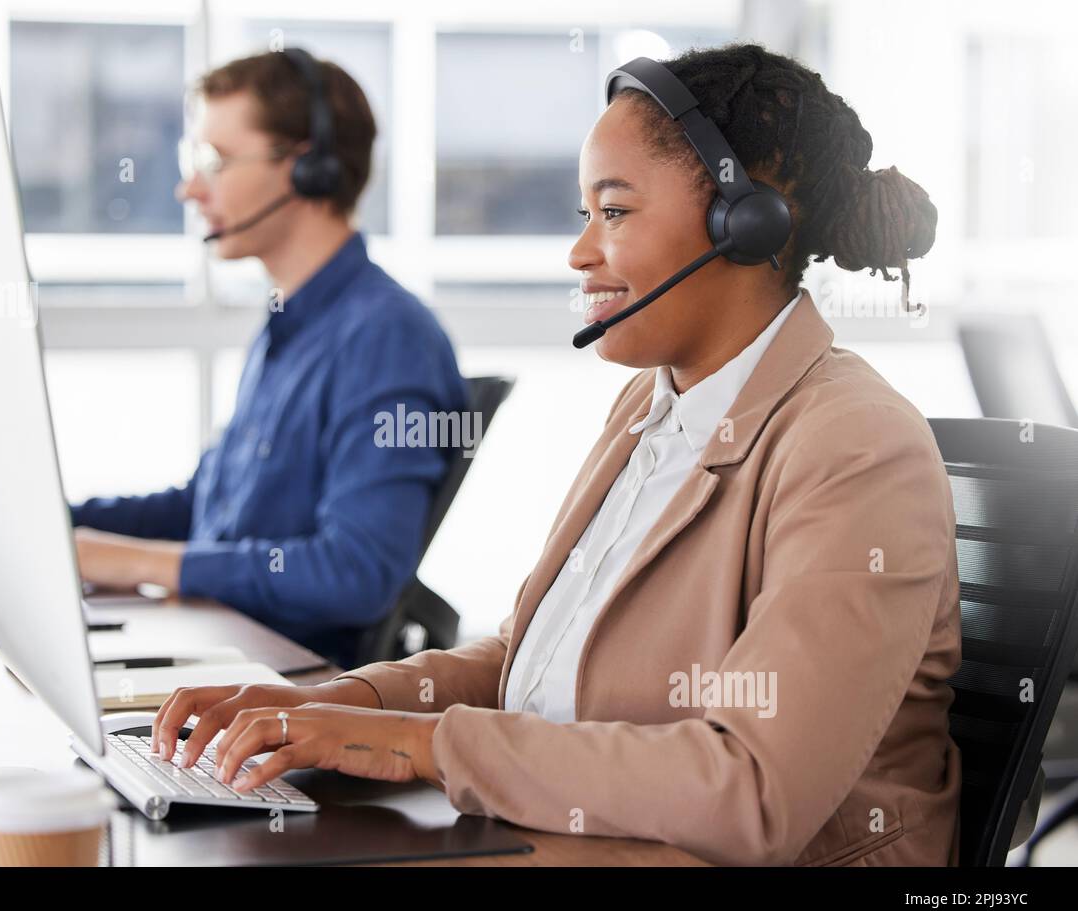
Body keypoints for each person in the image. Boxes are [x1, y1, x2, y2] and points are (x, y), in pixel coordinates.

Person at [148, 43, 960, 866]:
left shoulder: (856, 447)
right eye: (585, 215)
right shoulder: (650, 406)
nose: (579, 253)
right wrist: (330, 705)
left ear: (742, 224)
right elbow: (525, 662)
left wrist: (417, 747)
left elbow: (751, 786)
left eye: (613, 212)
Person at [62, 50, 468, 669]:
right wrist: (47, 525)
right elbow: (204, 507)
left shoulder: (386, 338)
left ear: (307, 168)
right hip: (222, 651)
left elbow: (356, 572)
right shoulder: (288, 322)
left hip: (286, 689)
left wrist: (144, 564)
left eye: (217, 162)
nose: (190, 188)